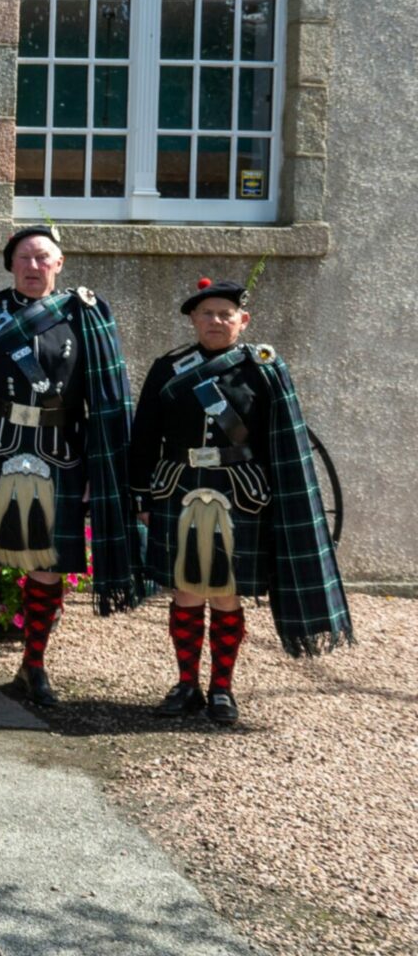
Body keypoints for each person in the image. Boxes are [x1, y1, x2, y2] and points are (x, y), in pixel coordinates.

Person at [130, 275, 352, 725]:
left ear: (243, 320)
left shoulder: (263, 369)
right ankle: (186, 683)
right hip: (179, 485)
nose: (216, 320)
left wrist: (280, 501)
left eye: (225, 314)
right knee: (187, 591)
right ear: (193, 319)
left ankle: (223, 690)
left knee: (228, 595)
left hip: (242, 494)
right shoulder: (167, 368)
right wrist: (141, 494)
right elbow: (144, 435)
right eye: (207, 313)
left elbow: (282, 443)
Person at [0, 226, 141, 708]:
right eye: (24, 258)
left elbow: (104, 396)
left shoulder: (84, 315)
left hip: (62, 450)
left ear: (59, 263)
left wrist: (97, 467)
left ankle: (33, 668)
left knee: (48, 567)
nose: (33, 266)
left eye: (42, 258)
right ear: (11, 265)